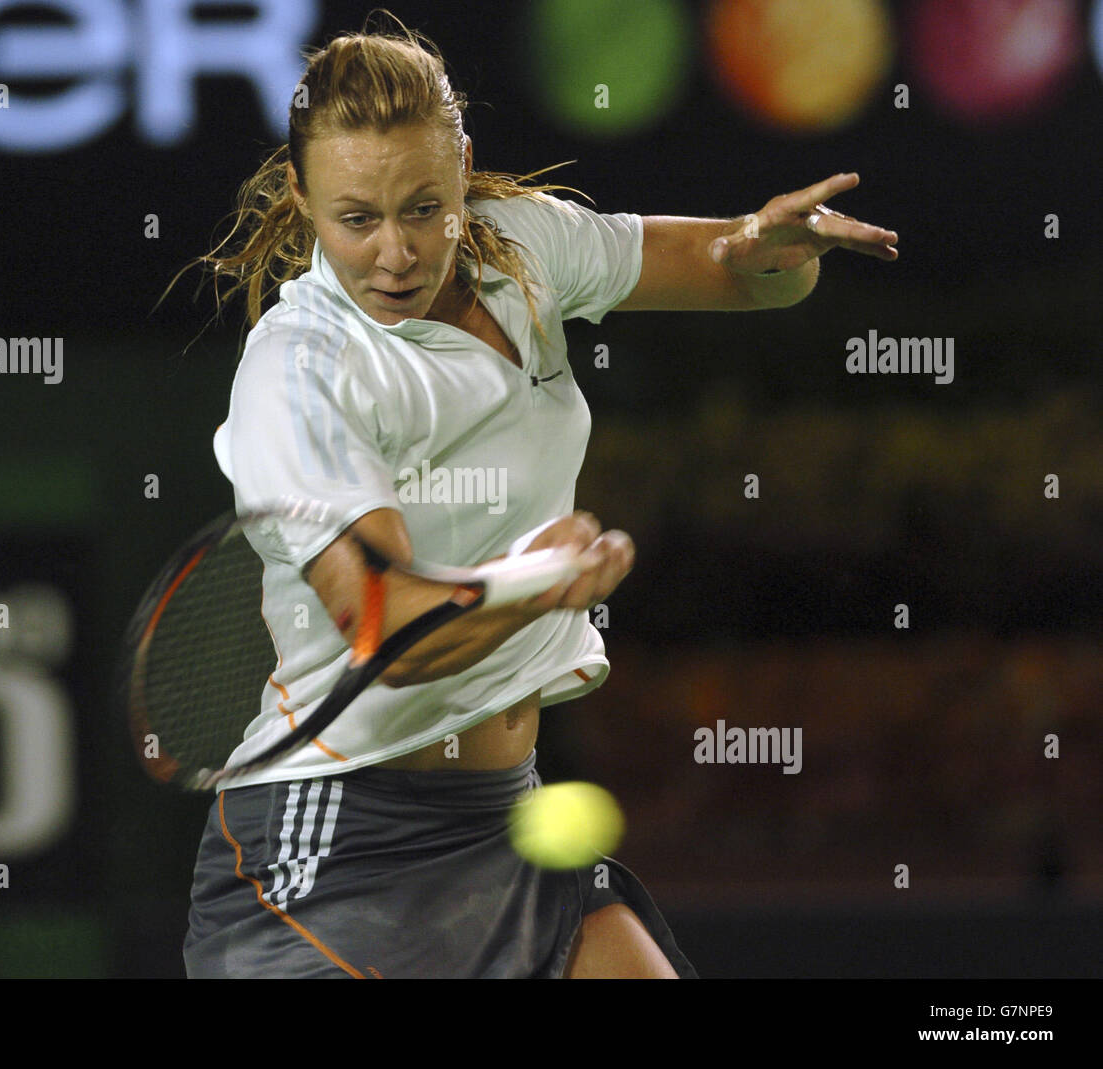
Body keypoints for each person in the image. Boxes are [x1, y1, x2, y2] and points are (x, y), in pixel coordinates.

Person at [179, 16, 897, 979]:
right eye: (357, 219)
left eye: (424, 207)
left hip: (501, 820)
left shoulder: (523, 247)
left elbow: (733, 272)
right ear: (302, 196)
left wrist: (767, 249)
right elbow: (386, 633)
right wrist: (529, 583)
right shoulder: (299, 371)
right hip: (328, 840)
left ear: (465, 170)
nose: (395, 252)